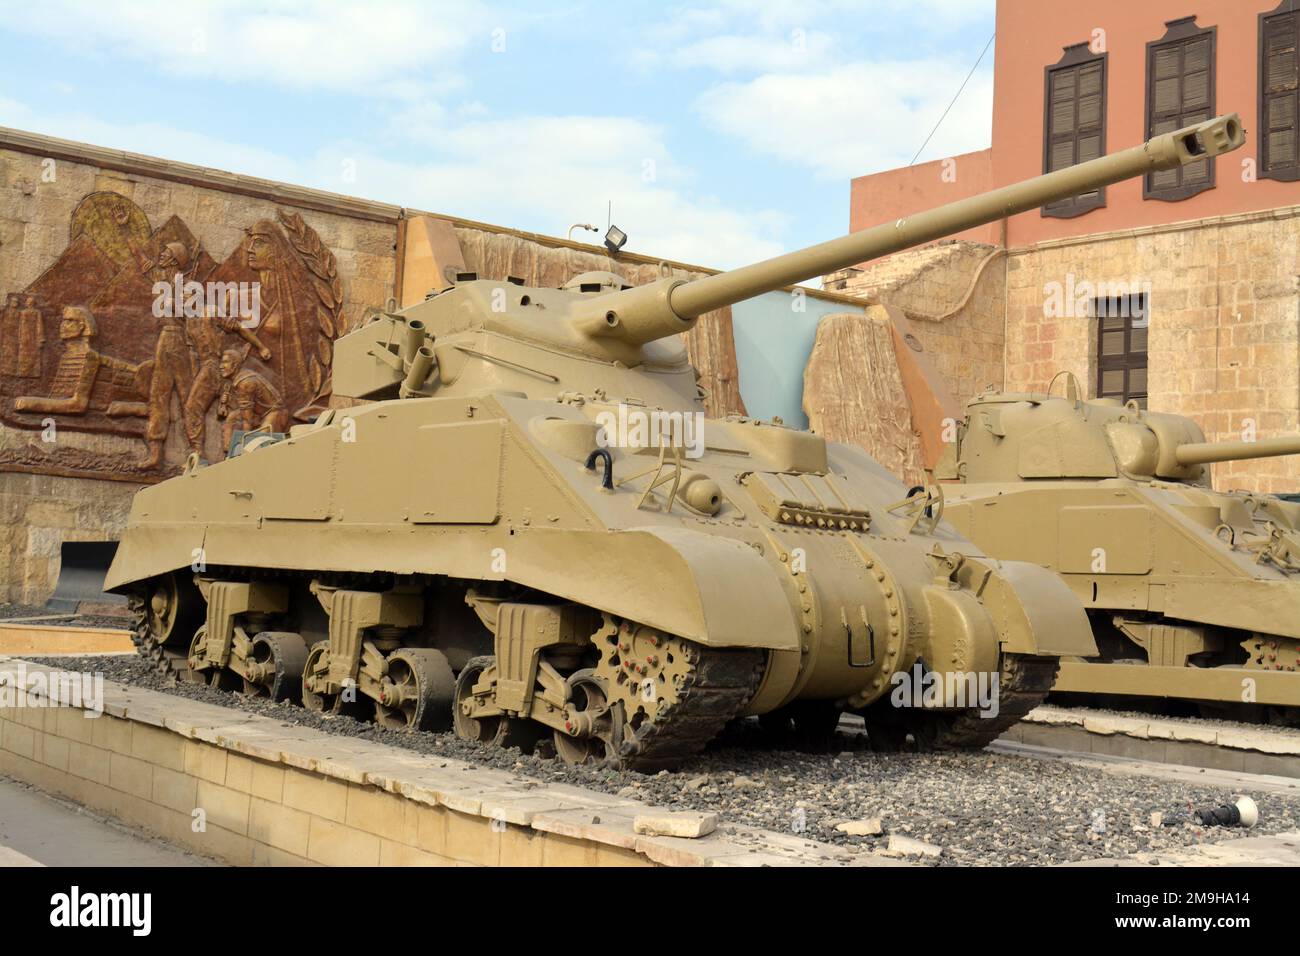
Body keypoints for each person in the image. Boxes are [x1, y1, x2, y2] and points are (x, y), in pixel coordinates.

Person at [217, 347, 289, 452]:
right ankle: (228, 451)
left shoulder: (245, 383)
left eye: (225, 363)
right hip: (258, 413)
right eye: (221, 363)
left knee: (259, 446)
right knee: (232, 418)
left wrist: (247, 446)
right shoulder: (235, 381)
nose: (221, 367)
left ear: (235, 365)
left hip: (274, 413)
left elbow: (247, 420)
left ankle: (244, 453)